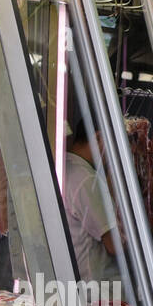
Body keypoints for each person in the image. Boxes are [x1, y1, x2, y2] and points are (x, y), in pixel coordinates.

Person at [62, 111, 121, 283]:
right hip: (90, 288)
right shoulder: (87, 179)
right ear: (99, 138)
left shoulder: (64, 166)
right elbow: (114, 245)